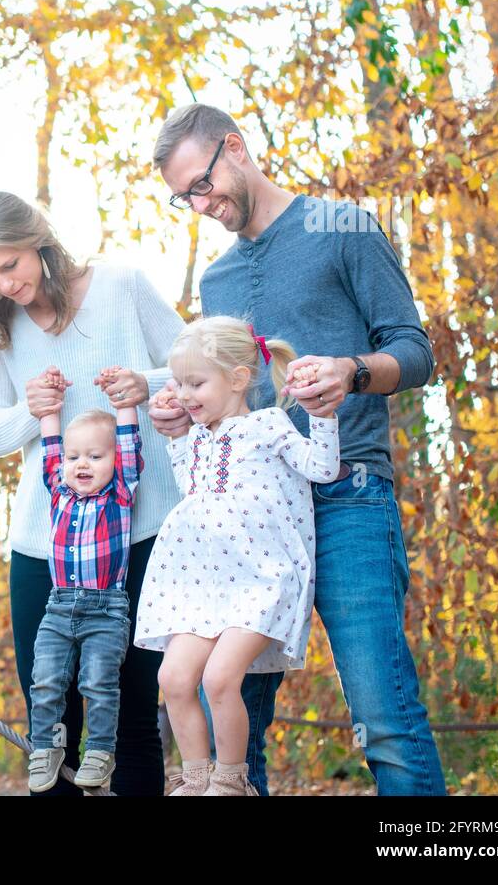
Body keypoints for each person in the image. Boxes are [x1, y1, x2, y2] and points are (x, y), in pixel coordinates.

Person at [147, 102, 447, 796]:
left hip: (347, 497)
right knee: (234, 734)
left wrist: (351, 370)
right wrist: (183, 414)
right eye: (182, 196)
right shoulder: (218, 281)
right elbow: (232, 408)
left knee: (382, 711)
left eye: (201, 183)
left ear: (235, 147)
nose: (198, 203)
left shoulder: (340, 228)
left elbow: (416, 351)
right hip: (245, 527)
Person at [0, 189, 184, 795]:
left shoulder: (122, 286)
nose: (4, 284)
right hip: (44, 548)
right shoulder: (3, 328)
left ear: (38, 240)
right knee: (50, 720)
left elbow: (197, 369)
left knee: (130, 716)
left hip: (139, 536)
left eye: (11, 265)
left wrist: (144, 384)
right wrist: (31, 411)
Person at [135, 316, 340, 795]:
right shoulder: (201, 436)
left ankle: (231, 780)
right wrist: (178, 439)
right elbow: (192, 487)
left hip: (260, 579)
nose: (183, 394)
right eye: (178, 383)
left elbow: (323, 469)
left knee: (220, 677)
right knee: (173, 676)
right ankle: (195, 777)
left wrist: (324, 418)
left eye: (194, 383)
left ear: (238, 378)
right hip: (202, 582)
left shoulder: (270, 424)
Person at [27, 367, 144, 791]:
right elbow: (52, 447)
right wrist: (51, 408)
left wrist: (125, 405)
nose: (82, 464)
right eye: (76, 457)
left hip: (106, 611)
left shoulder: (121, 492)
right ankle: (45, 746)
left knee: (98, 682)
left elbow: (130, 445)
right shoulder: (58, 490)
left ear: (115, 462)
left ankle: (99, 750)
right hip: (57, 607)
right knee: (46, 679)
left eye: (96, 457)